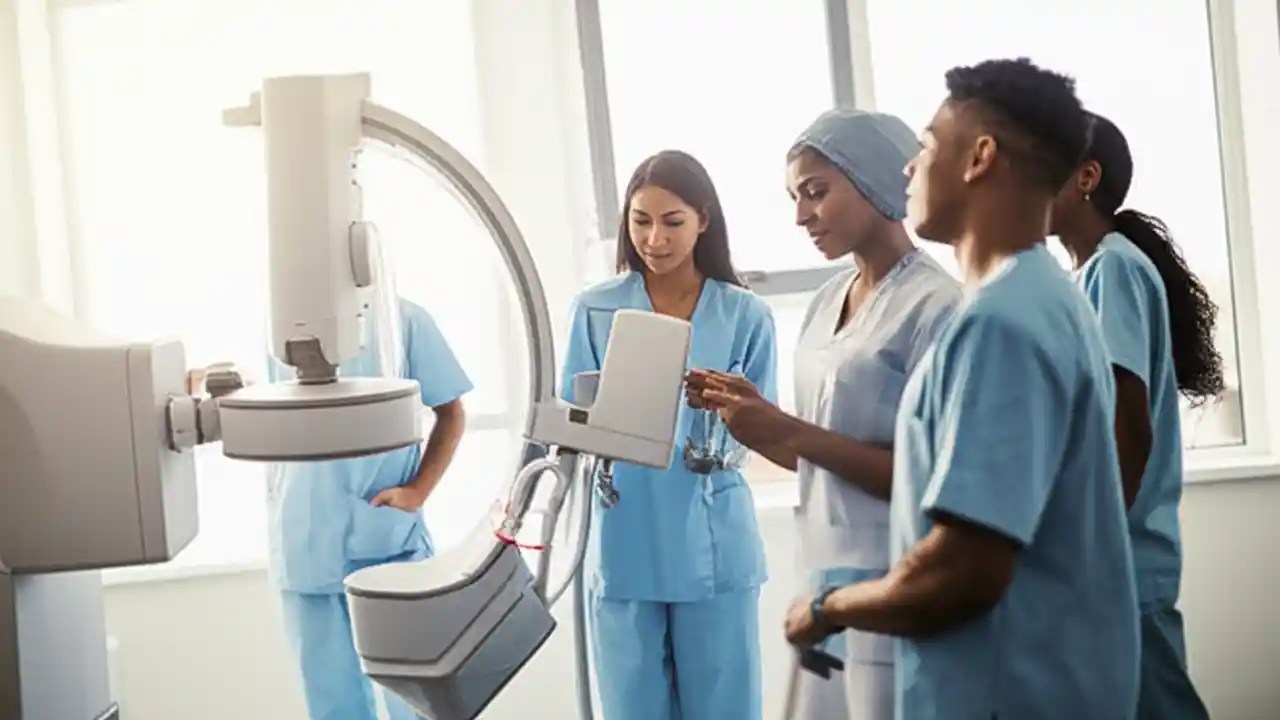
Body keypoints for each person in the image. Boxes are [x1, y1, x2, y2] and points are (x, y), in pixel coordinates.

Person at [781, 58, 1141, 719]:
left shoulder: (1001, 322)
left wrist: (827, 609)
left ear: (979, 157)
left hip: (1010, 690)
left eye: (924, 146)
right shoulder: (1043, 297)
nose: (908, 170)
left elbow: (963, 572)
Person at [687, 108, 960, 720]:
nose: (801, 216)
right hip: (822, 586)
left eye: (816, 192)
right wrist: (750, 417)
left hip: (894, 584)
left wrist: (789, 429)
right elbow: (813, 454)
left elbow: (931, 477)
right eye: (795, 198)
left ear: (876, 178)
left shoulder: (936, 307)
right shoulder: (826, 301)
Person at [560, 149, 777, 720]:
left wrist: (723, 413)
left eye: (672, 222)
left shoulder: (745, 315)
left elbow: (764, 428)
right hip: (624, 536)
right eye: (641, 221)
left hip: (712, 538)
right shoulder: (593, 309)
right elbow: (571, 420)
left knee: (725, 709)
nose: (654, 239)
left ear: (703, 220)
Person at [1051, 111, 1220, 719]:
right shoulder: (1088, 274)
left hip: (1119, 558)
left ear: (1086, 177)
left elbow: (1128, 423)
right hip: (1113, 557)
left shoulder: (1114, 268)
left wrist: (1092, 541)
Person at [266, 297, 471, 720]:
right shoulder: (279, 321)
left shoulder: (403, 319)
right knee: (332, 706)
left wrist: (418, 491)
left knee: (417, 701)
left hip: (388, 539)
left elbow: (451, 413)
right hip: (304, 537)